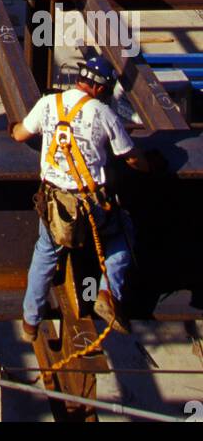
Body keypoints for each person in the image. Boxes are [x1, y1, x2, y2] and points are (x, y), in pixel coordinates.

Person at [11, 56, 152, 340]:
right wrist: (150, 166)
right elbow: (131, 157)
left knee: (45, 252)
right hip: (91, 210)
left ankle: (30, 320)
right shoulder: (103, 113)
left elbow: (19, 134)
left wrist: (13, 127)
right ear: (100, 89)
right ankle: (106, 292)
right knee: (122, 234)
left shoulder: (49, 104)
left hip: (55, 206)